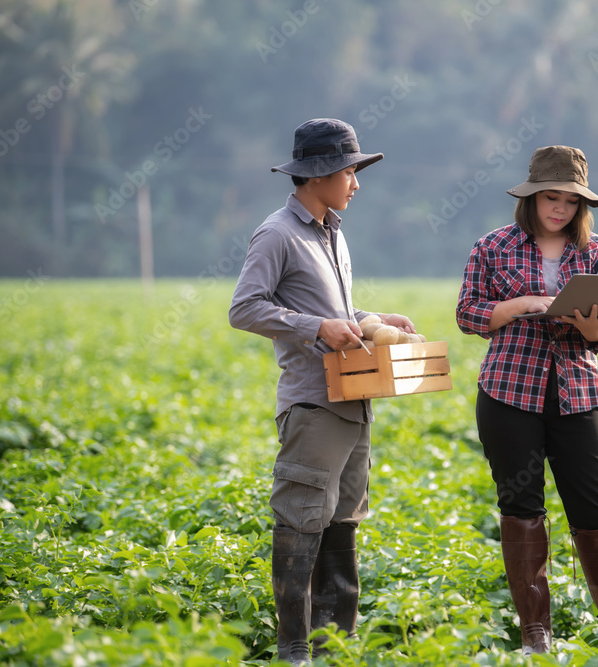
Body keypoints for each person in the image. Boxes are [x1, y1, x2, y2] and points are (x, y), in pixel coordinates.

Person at [229, 118, 414, 665]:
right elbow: (244, 308)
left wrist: (372, 319)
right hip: (313, 404)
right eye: (351, 171)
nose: (356, 183)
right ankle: (294, 649)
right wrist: (315, 328)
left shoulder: (332, 231)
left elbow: (335, 316)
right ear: (320, 175)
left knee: (342, 520)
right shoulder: (277, 233)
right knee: (301, 518)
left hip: (353, 400)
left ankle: (336, 642)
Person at [456, 145, 598, 654]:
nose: (559, 209)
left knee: (596, 509)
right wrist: (517, 305)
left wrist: (593, 328)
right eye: (550, 198)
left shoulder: (597, 251)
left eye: (570, 201)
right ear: (532, 198)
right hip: (508, 391)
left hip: (576, 393)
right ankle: (535, 632)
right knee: (521, 505)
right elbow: (469, 315)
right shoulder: (492, 247)